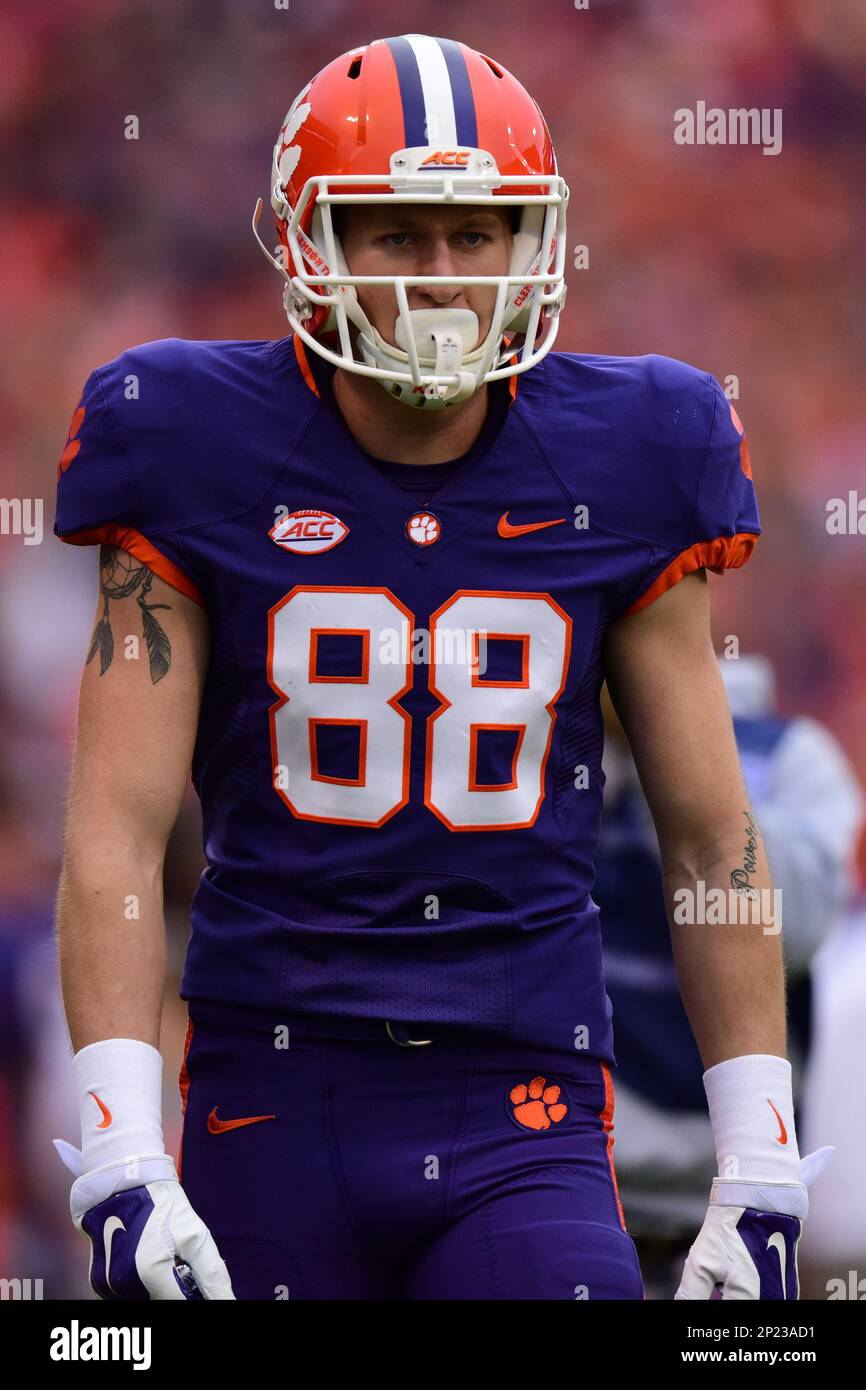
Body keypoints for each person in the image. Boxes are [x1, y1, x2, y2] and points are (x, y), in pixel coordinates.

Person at [52, 33, 827, 1300]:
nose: (442, 276)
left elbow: (706, 841)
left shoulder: (629, 450)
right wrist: (119, 1151)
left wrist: (760, 1165)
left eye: (476, 235)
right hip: (270, 1089)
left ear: (533, 246)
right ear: (311, 245)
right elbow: (117, 838)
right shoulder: (189, 439)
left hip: (524, 1097)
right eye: (396, 235)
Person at [595, 655, 863, 1296]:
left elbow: (797, 926)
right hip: (563, 1195)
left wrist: (667, 749)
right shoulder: (541, 746)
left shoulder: (788, 753)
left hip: (725, 1201)